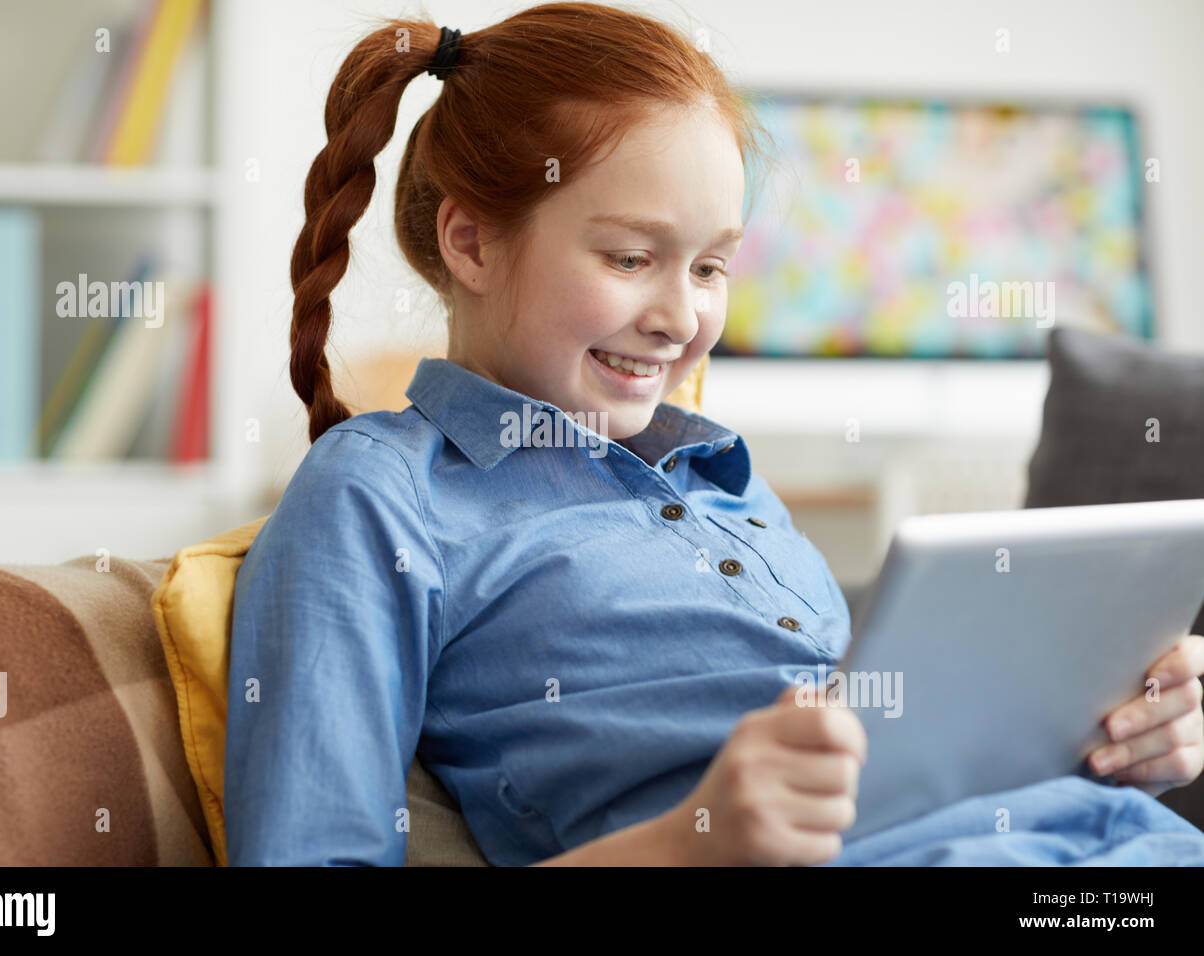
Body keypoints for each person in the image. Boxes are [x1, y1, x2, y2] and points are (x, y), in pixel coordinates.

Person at [223, 2, 1204, 866]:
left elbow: (914, 775)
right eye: (632, 255)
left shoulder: (724, 480)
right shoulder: (375, 493)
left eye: (710, 267)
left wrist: (1115, 745)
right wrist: (692, 836)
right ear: (472, 241)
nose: (680, 317)